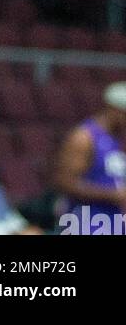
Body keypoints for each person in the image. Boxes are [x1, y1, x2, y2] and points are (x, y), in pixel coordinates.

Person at [55, 81, 126, 235]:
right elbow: (64, 182)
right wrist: (112, 194)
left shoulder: (117, 138)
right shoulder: (84, 137)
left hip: (114, 222)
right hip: (86, 223)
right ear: (115, 110)